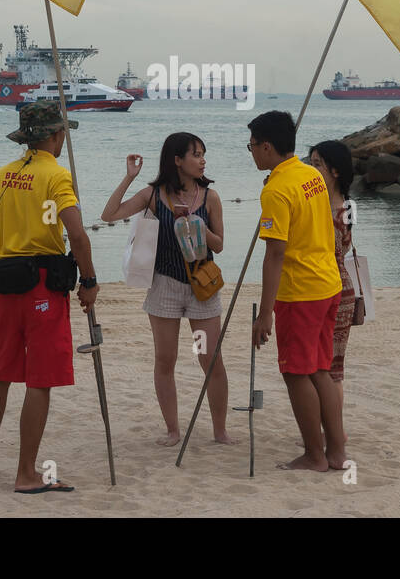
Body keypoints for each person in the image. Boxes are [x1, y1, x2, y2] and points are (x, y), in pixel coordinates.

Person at [0, 102, 100, 494]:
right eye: (62, 133)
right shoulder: (57, 176)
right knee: (40, 379)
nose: (63, 138)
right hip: (41, 284)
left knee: (0, 371)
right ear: (52, 136)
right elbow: (77, 236)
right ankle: (27, 472)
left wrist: (19, 224)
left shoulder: (0, 176)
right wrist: (90, 279)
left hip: (3, 283)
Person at [101, 133, 234, 447]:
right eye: (195, 154)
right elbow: (109, 215)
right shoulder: (152, 195)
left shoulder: (209, 196)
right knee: (165, 359)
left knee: (210, 358)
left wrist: (195, 225)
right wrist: (129, 177)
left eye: (203, 154)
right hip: (164, 285)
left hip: (202, 284)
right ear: (177, 160)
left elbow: (220, 244)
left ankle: (220, 431)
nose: (202, 160)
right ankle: (173, 430)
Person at [248, 111, 345, 471]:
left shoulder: (278, 188)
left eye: (253, 146)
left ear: (268, 146)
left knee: (295, 372)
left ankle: (315, 454)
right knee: (320, 369)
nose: (252, 152)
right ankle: (336, 450)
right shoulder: (312, 174)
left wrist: (264, 314)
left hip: (301, 290)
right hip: (328, 282)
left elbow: (275, 253)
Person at [306, 141, 357, 404]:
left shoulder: (330, 208)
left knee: (325, 367)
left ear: (334, 171)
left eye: (317, 165)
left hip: (328, 287)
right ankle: (327, 426)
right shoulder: (347, 205)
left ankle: (329, 427)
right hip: (341, 286)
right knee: (331, 367)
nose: (311, 170)